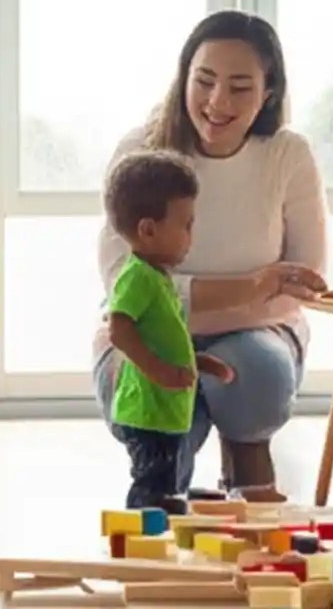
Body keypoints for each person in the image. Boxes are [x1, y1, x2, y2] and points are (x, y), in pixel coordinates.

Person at [93, 10, 329, 502]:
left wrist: (201, 305)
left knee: (254, 372)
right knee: (164, 413)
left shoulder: (287, 154)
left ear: (268, 93)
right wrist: (252, 286)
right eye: (204, 81)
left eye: (240, 88)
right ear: (184, 79)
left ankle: (250, 497)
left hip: (258, 334)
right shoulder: (141, 149)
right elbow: (122, 283)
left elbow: (304, 283)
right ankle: (161, 515)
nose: (217, 102)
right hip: (147, 333)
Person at [103, 149, 244, 512]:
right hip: (149, 413)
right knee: (154, 488)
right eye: (186, 225)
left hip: (166, 412)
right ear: (148, 229)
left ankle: (159, 541)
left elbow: (161, 339)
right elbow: (119, 330)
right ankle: (139, 550)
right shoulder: (136, 278)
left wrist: (198, 362)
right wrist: (160, 371)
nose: (191, 237)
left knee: (171, 484)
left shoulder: (158, 278)